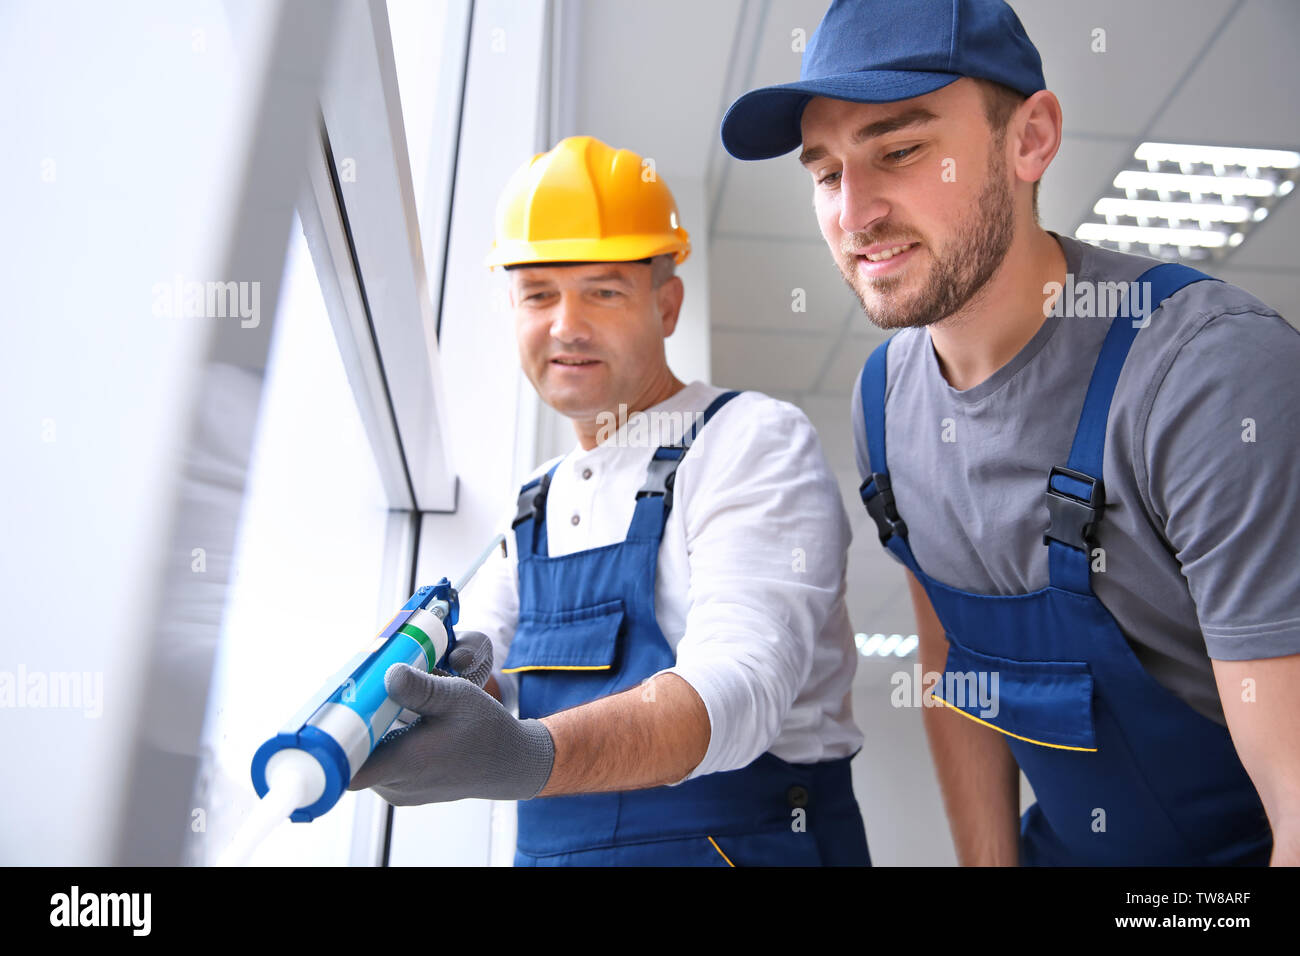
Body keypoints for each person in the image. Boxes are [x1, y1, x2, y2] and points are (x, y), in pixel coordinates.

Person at [720, 0, 1300, 866]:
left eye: (901, 150)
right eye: (827, 173)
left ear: (1030, 139)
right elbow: (955, 665)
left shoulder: (1206, 380)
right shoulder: (885, 405)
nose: (856, 211)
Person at [350, 135, 871, 866]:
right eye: (538, 294)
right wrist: (425, 694)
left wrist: (531, 754)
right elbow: (487, 661)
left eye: (602, 290)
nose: (565, 324)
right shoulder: (533, 501)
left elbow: (741, 686)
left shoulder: (750, 440)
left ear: (667, 304)